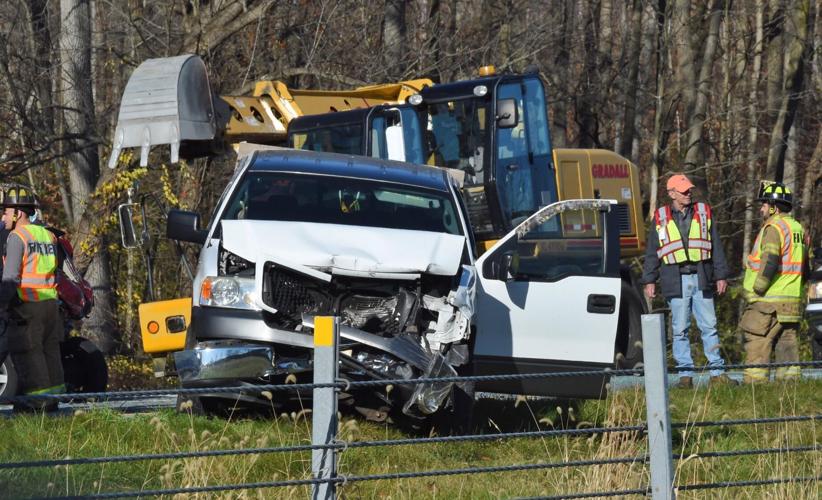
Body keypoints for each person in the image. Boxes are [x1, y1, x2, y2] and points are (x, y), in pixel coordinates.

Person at [641, 173, 736, 388]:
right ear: (672, 193)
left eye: (689, 190)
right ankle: (685, 376)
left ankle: (717, 374)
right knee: (680, 329)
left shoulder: (703, 212)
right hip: (676, 281)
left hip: (702, 277)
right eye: (683, 191)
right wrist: (649, 280)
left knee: (709, 326)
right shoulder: (660, 217)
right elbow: (652, 252)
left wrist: (721, 275)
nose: (688, 194)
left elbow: (716, 246)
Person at [0, 185, 65, 410]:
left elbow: (9, 279)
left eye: (6, 211)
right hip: (50, 305)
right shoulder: (48, 235)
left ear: (18, 213)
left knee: (28, 353)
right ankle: (53, 404)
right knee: (50, 352)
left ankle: (37, 408)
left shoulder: (17, 237)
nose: (3, 216)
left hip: (27, 305)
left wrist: (2, 306)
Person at [740, 181, 807, 383]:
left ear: (773, 207)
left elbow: (770, 259)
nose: (761, 209)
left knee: (757, 339)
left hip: (769, 299)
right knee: (786, 341)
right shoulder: (799, 229)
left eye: (763, 205)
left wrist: (759, 287)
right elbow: (807, 266)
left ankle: (755, 387)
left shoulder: (774, 228)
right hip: (792, 300)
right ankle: (789, 389)